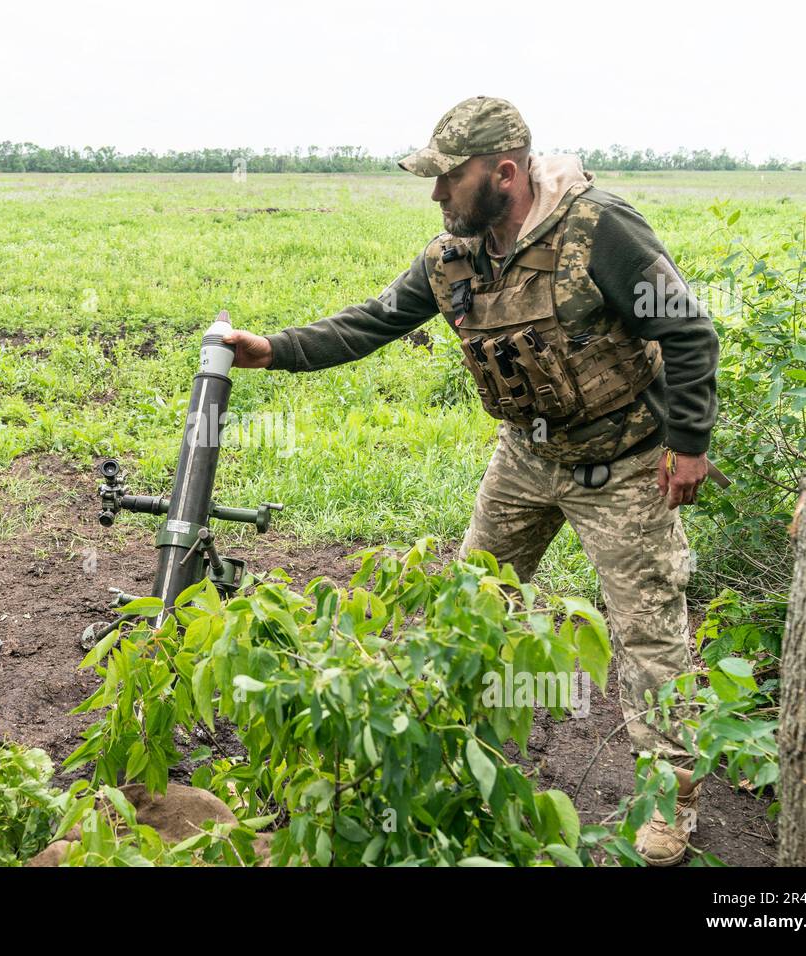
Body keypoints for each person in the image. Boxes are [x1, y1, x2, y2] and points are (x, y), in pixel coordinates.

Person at [222, 97, 720, 866]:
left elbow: (686, 328)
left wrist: (688, 444)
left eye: (448, 179)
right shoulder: (453, 255)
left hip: (621, 463)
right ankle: (449, 759)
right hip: (524, 458)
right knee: (471, 605)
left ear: (506, 172)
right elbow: (374, 319)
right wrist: (275, 349)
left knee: (649, 633)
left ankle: (671, 801)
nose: (436, 195)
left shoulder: (600, 230)